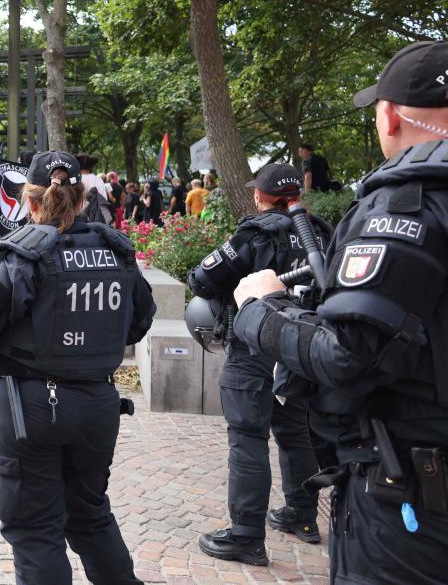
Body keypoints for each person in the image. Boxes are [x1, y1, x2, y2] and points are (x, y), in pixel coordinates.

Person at [232, 40, 448, 584]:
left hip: (415, 508)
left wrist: (262, 309)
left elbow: (350, 356)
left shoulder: (410, 203)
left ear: (390, 115)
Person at [0, 150, 156, 584]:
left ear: (30, 201)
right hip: (97, 403)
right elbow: (138, 322)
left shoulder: (19, 255)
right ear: (81, 199)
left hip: (28, 407)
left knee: (36, 531)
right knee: (91, 517)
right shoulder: (116, 252)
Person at [189, 163, 333, 565]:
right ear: (297, 196)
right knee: (295, 433)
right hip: (300, 350)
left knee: (248, 437)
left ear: (260, 196)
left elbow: (203, 278)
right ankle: (302, 517)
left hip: (251, 350)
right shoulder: (323, 232)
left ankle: (246, 534)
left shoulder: (254, 233)